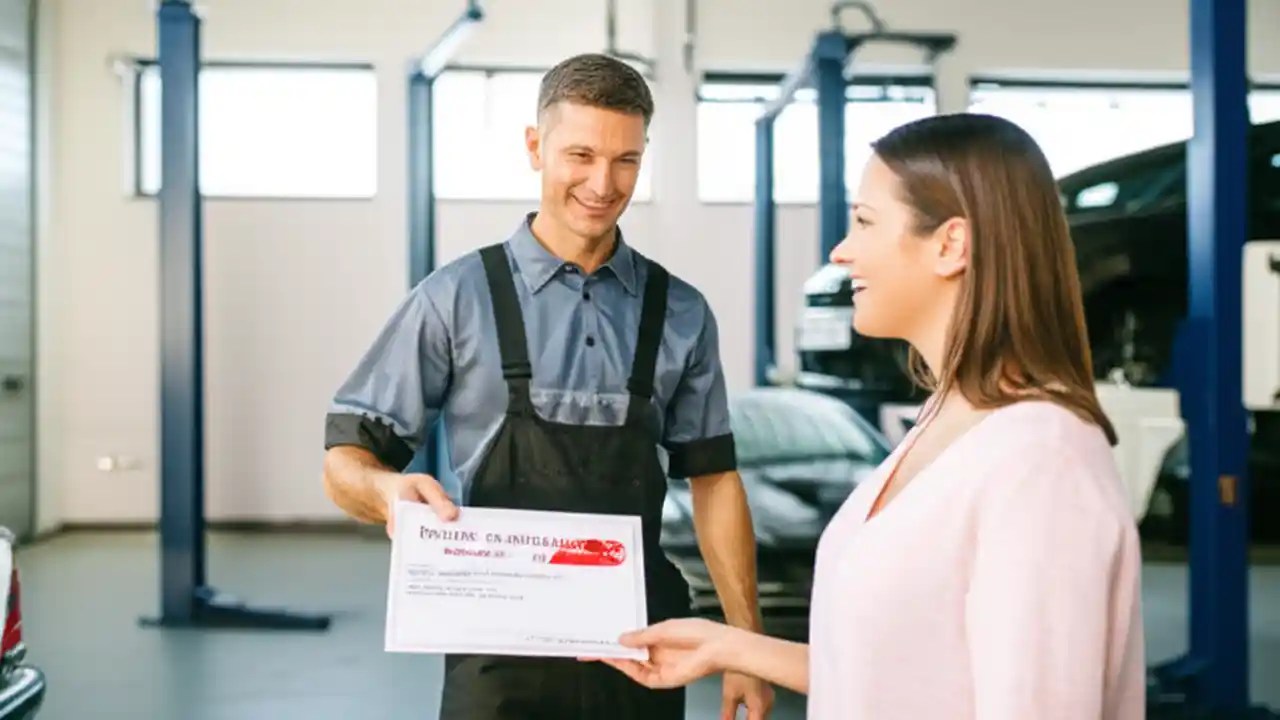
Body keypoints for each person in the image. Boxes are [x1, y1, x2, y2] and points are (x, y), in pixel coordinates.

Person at [588, 113, 1147, 719]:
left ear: (951, 245)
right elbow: (907, 676)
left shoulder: (1041, 461)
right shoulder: (947, 422)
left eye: (865, 221)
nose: (841, 251)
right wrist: (732, 647)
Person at [321, 53, 774, 720]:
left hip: (641, 649)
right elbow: (344, 459)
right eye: (580, 155)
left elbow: (714, 480)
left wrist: (745, 644)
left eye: (626, 160)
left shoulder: (680, 311)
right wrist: (386, 491)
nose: (603, 183)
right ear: (536, 147)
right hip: (496, 653)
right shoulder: (456, 298)